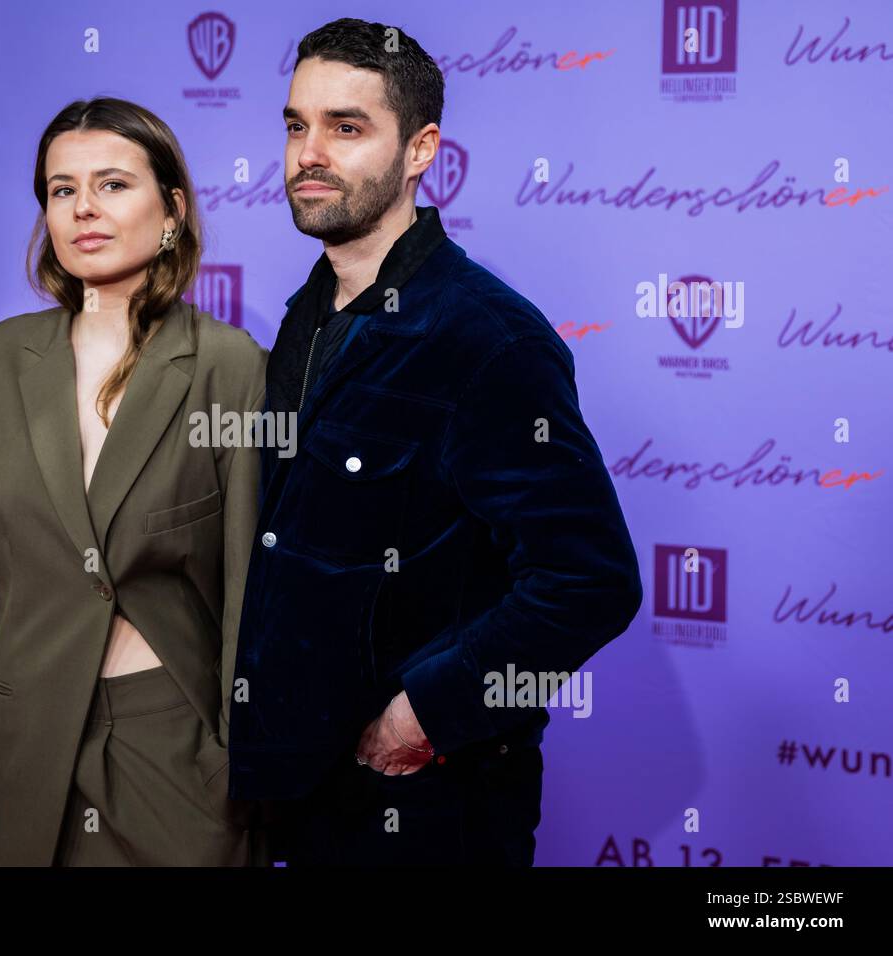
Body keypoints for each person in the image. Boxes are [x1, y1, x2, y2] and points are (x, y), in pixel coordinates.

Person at [228, 18, 644, 865]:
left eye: (347, 128)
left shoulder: (486, 339)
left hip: (428, 810)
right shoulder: (308, 320)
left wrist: (425, 716)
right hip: (301, 797)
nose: (311, 152)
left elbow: (590, 579)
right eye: (295, 125)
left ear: (420, 150)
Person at [0, 97, 267, 866]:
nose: (83, 210)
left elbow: (249, 592)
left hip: (178, 750)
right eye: (62, 190)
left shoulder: (229, 366)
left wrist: (241, 768)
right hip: (23, 752)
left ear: (171, 209)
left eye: (112, 184)